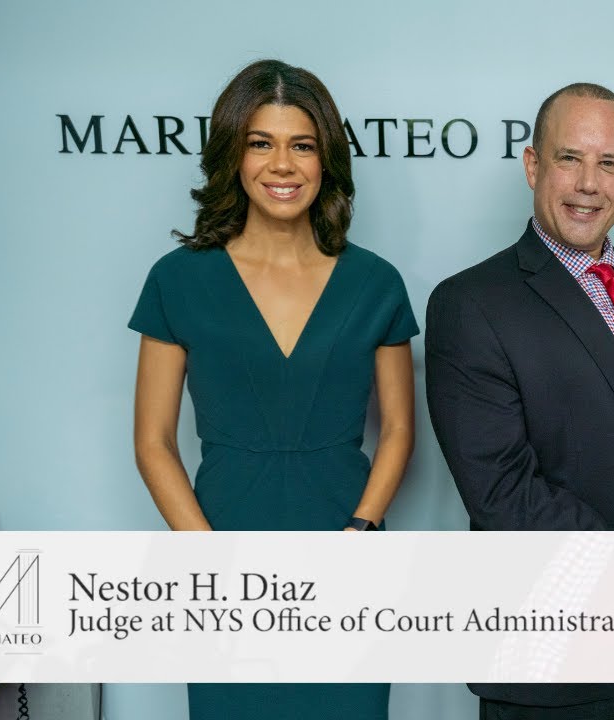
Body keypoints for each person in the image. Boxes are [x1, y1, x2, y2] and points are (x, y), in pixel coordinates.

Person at [424, 82, 614, 719]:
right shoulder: (470, 304)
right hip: (550, 659)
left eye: (608, 163)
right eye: (569, 158)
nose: (588, 183)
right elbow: (503, 493)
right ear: (533, 164)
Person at [129, 59, 417, 720]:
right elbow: (152, 441)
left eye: (302, 145)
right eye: (261, 143)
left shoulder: (375, 282)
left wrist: (361, 532)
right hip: (222, 549)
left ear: (326, 159)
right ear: (233, 154)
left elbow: (400, 430)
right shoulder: (177, 279)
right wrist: (210, 564)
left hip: (347, 555)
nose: (282, 164)